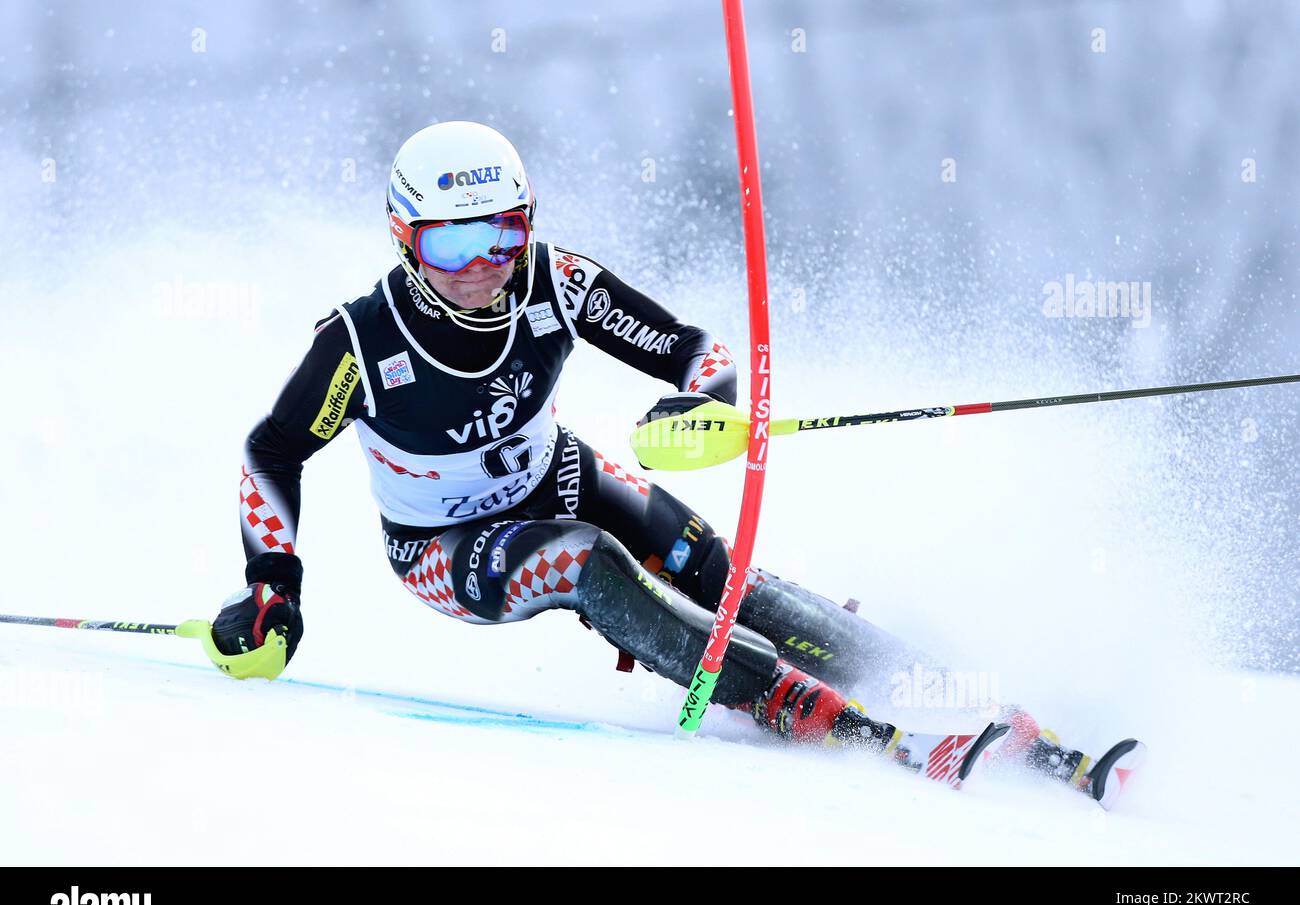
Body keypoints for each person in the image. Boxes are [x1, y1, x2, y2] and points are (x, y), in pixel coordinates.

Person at [208, 121, 1139, 801]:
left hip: (557, 477)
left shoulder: (554, 282)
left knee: (731, 578)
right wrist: (273, 584)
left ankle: (964, 699)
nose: (485, 264)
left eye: (505, 232)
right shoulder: (365, 344)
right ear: (406, 237)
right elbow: (272, 449)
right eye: (455, 241)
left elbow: (698, 351)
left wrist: (708, 402)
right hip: (445, 550)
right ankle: (794, 704)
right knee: (584, 560)